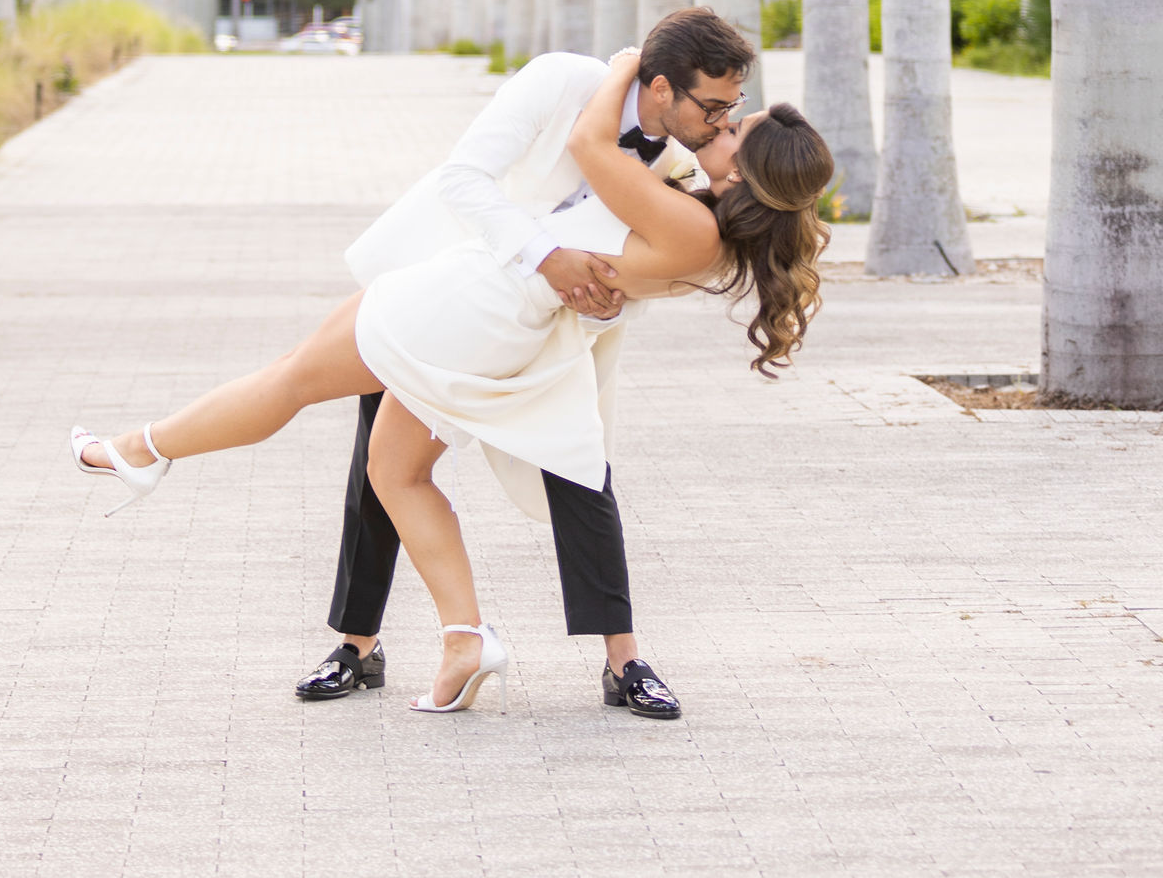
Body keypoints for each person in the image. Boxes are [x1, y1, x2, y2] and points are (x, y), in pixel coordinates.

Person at [70, 35, 835, 716]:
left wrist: (629, 60)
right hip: (496, 313)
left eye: (733, 129)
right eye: (722, 113)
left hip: (473, 299)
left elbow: (590, 145)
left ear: (745, 175)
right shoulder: (703, 219)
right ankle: (462, 640)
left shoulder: (689, 215)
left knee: (292, 378)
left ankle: (144, 449)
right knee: (394, 470)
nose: (724, 123)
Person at [298, 6, 755, 721]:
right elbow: (463, 178)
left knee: (581, 465)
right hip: (449, 285)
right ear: (664, 87)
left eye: (732, 108)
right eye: (716, 105)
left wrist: (606, 303)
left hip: (555, 328)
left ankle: (624, 660)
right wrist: (544, 256)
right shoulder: (564, 81)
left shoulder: (685, 158)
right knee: (379, 455)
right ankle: (358, 644)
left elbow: (641, 266)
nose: (723, 119)